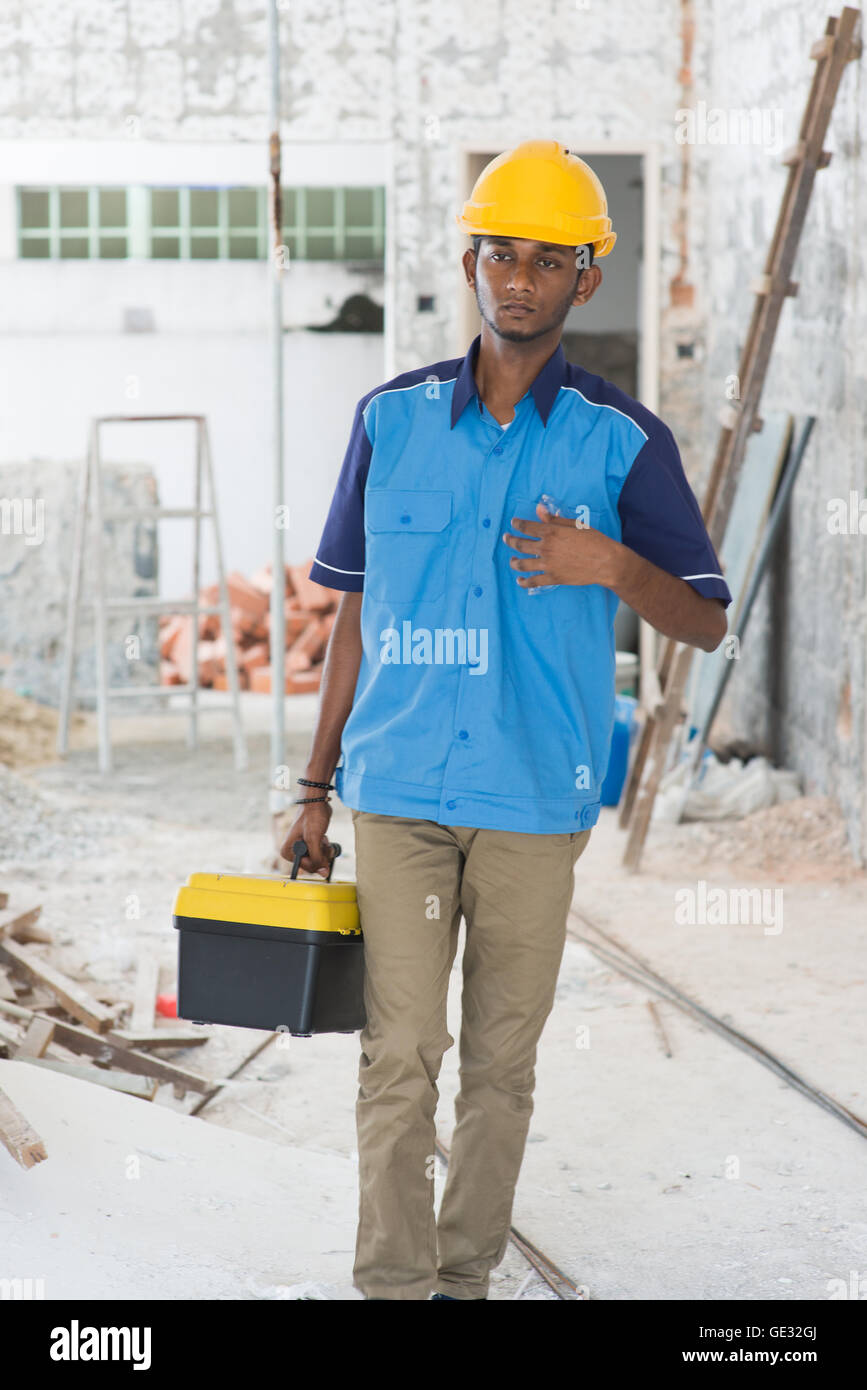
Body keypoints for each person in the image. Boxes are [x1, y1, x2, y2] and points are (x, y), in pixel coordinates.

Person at [280, 140, 732, 1301]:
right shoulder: (389, 421)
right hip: (399, 796)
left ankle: (466, 1275)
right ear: (470, 262)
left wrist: (612, 563)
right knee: (398, 1058)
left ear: (587, 278)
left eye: (549, 259)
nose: (518, 277)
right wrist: (312, 790)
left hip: (534, 799)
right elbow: (353, 614)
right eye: (500, 253)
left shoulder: (623, 442)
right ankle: (393, 1283)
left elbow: (706, 622)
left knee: (499, 1065)